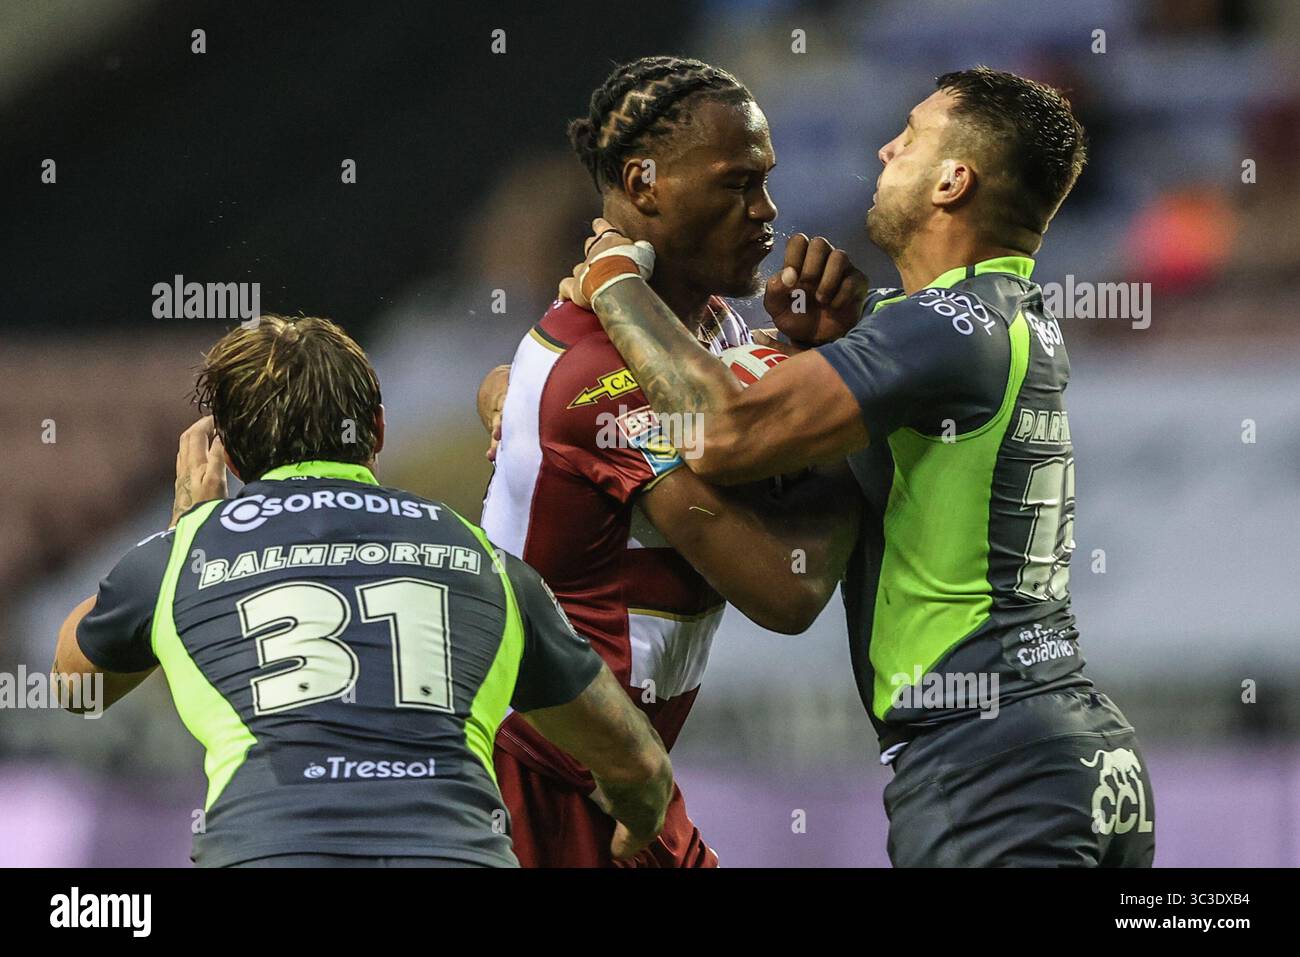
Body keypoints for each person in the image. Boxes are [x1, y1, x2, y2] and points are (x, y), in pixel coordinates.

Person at [561, 67, 1155, 867]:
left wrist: (615, 285)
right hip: (1073, 753)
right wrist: (836, 335)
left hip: (989, 771)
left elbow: (721, 433)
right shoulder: (1006, 316)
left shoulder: (948, 326)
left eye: (909, 137)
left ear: (953, 180)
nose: (885, 148)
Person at [51, 315, 673, 867]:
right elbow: (635, 762)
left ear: (231, 457)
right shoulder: (483, 558)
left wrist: (186, 523)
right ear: (376, 430)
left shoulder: (184, 553)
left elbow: (76, 689)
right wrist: (637, 821)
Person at [476, 56, 861, 867]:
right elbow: (786, 590)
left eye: (765, 180)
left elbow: (521, 392)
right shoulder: (607, 378)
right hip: (549, 785)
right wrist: (851, 427)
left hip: (616, 771)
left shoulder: (709, 330)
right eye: (735, 184)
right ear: (643, 184)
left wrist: (800, 351)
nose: (766, 209)